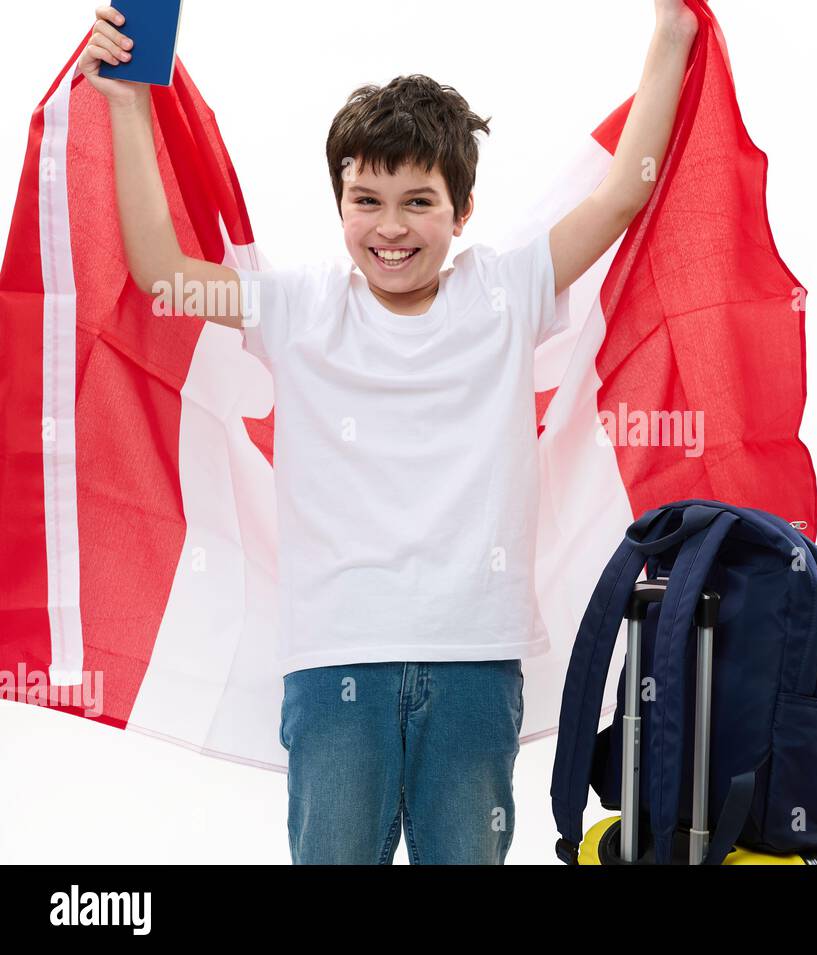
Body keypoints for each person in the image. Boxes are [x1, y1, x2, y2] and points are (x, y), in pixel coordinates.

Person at [76, 0, 699, 864]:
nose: (392, 227)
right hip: (337, 661)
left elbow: (626, 190)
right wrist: (128, 100)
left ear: (463, 209)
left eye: (419, 202)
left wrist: (671, 36)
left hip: (475, 663)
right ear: (339, 202)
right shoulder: (295, 306)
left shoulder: (506, 291)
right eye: (366, 200)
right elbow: (160, 271)